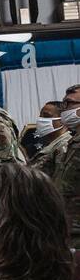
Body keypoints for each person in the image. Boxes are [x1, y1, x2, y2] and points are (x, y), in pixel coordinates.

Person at [54, 84, 80, 247]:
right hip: (67, 230)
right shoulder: (73, 140)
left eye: (70, 104)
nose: (64, 109)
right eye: (63, 104)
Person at [28, 100, 71, 178]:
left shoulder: (64, 146)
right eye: (40, 116)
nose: (40, 119)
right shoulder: (50, 144)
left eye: (46, 116)